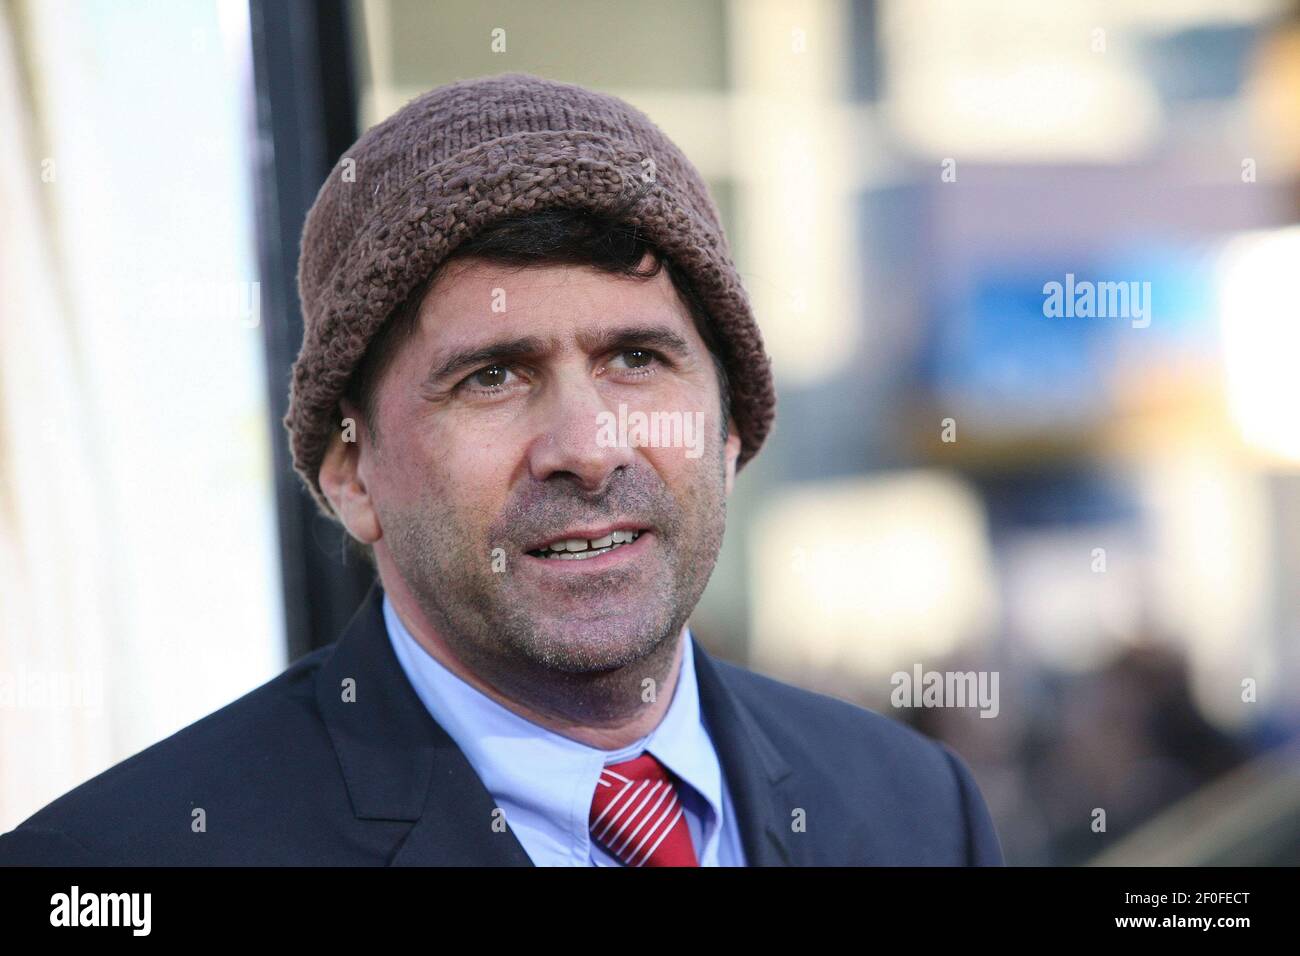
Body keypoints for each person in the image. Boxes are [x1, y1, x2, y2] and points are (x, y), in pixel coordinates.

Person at [0, 73, 1002, 866]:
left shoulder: (915, 807)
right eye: (491, 376)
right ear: (350, 471)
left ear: (732, 420)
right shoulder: (119, 864)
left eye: (636, 359)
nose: (588, 444)